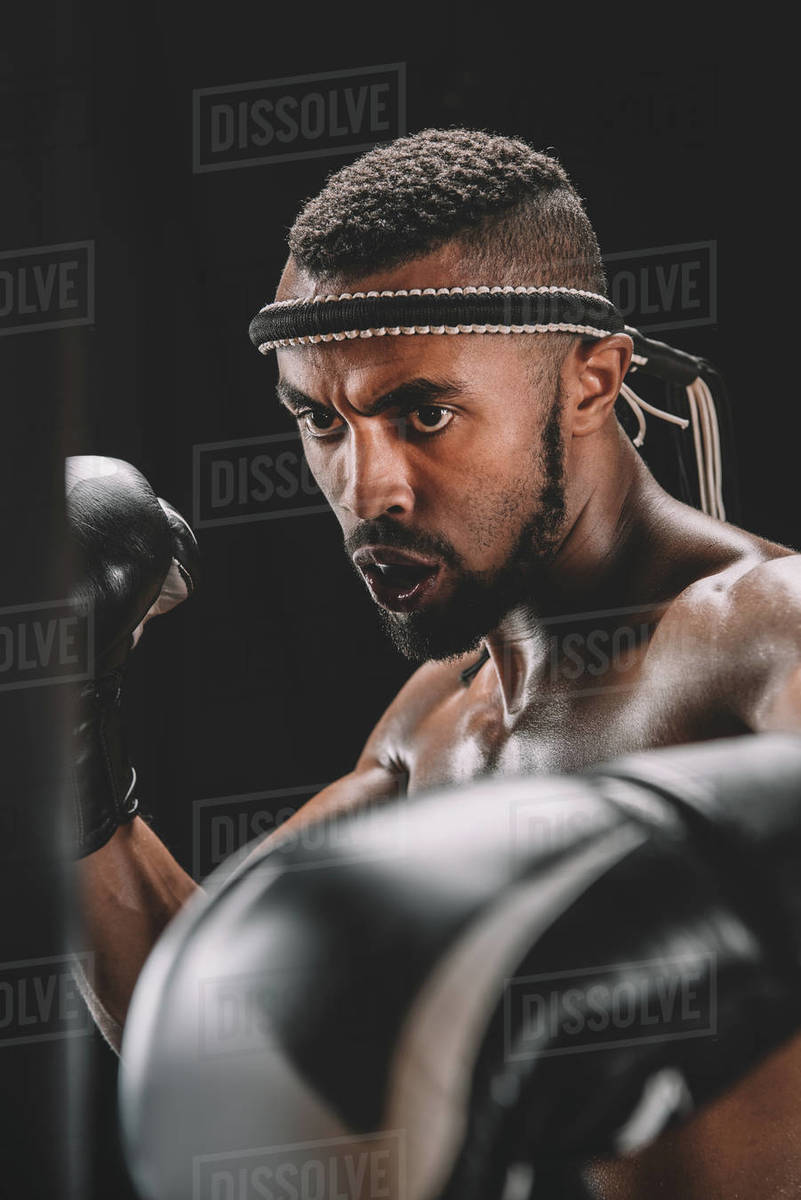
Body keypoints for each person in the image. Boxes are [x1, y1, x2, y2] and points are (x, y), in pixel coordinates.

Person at [75, 129, 801, 1198]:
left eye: (426, 413)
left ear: (592, 383)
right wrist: (68, 767)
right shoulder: (434, 724)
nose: (369, 491)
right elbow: (223, 1030)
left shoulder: (766, 628)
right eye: (321, 420)